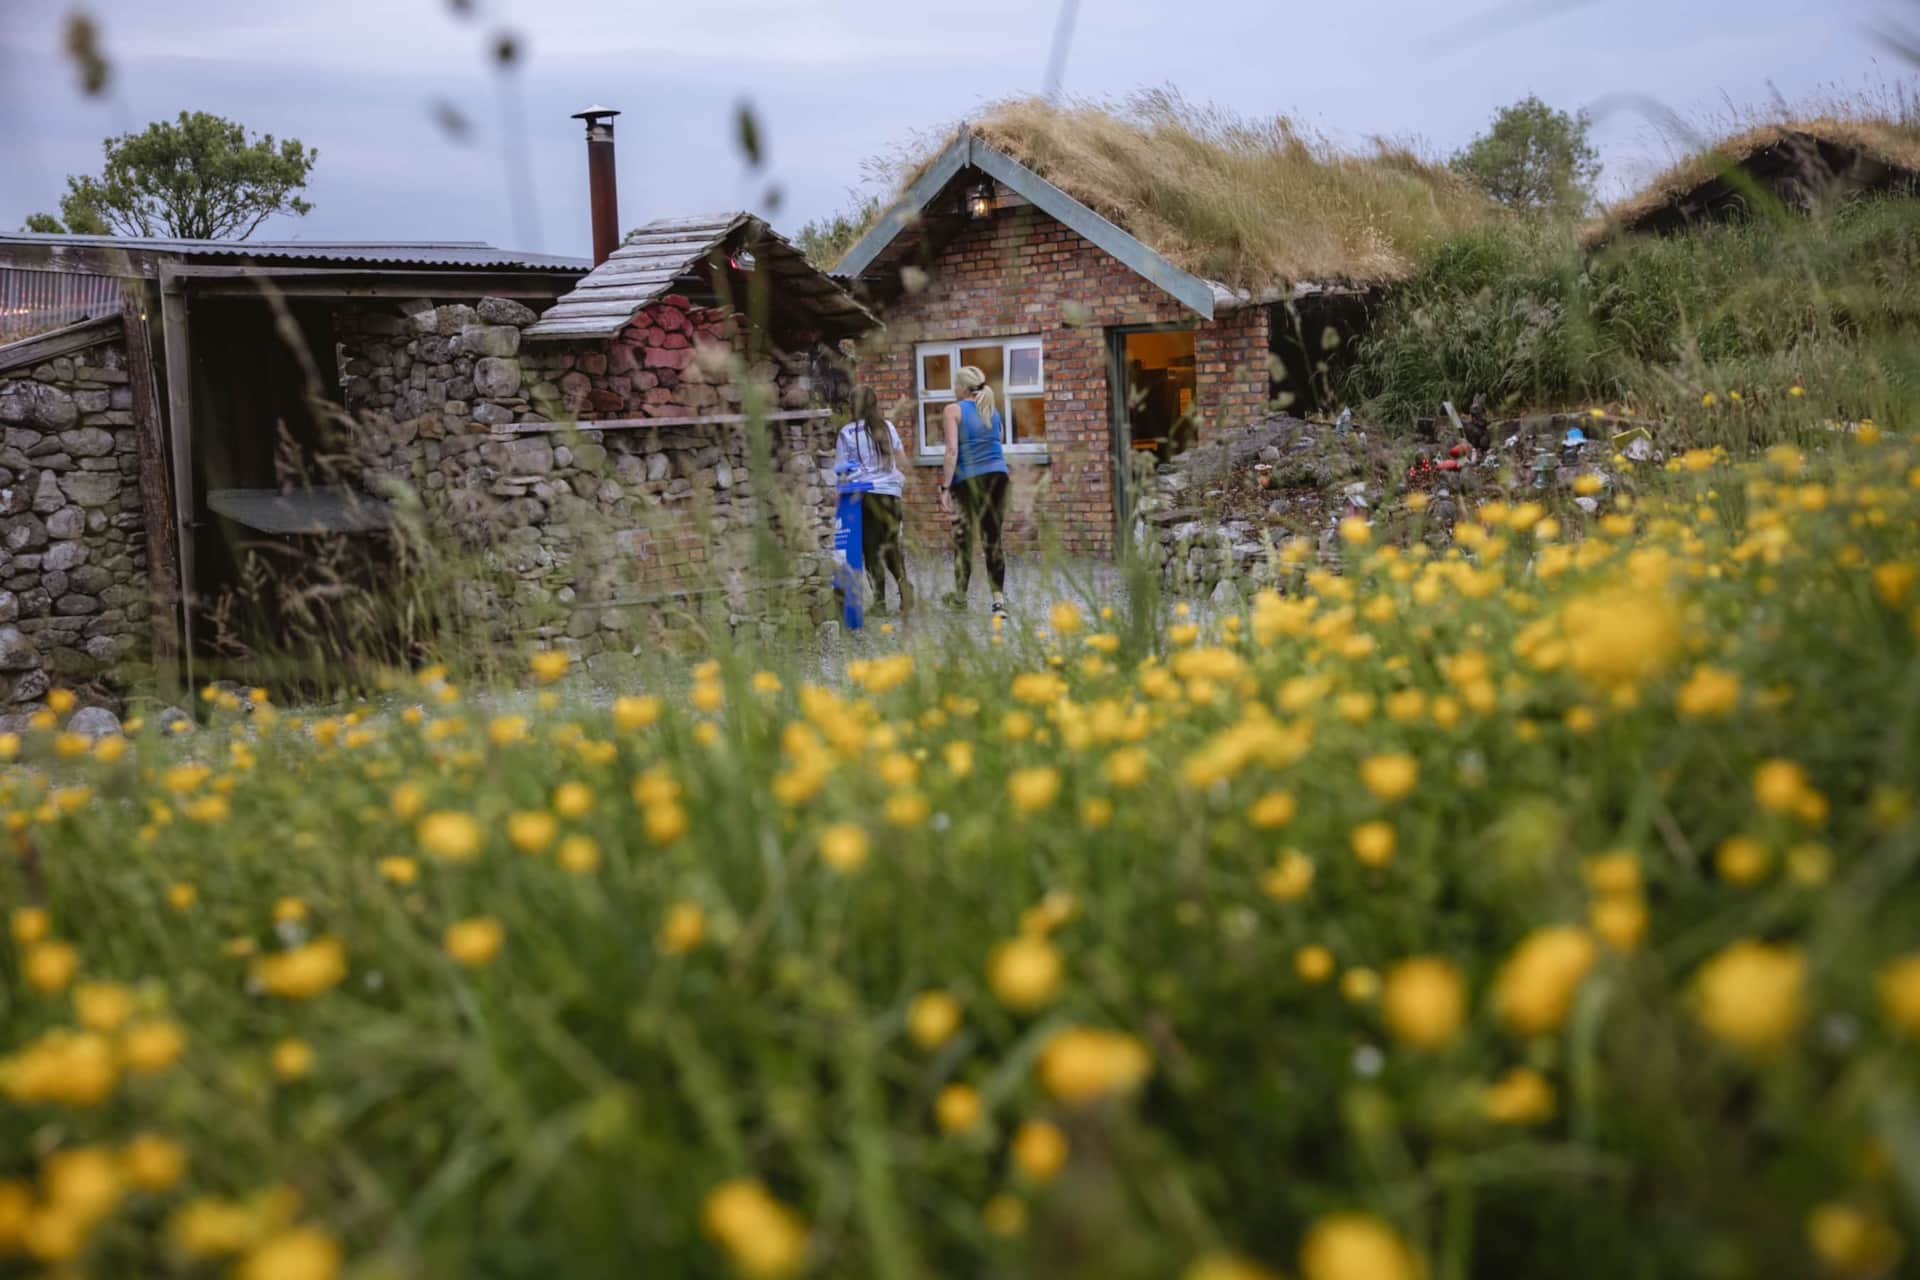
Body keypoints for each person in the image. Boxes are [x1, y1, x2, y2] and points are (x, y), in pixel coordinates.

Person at [833, 387, 912, 614]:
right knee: (891, 544)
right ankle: (905, 589)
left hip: (864, 495)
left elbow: (840, 469)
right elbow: (902, 460)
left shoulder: (847, 433)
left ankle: (879, 603)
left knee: (871, 549)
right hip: (891, 493)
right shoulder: (887, 428)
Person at [940, 365, 1010, 619]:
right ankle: (999, 602)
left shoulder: (953, 410)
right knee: (993, 539)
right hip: (998, 478)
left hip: (968, 481)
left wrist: (945, 487)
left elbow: (951, 452)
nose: (953, 389)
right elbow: (999, 439)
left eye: (955, 384)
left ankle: (960, 599)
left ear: (962, 387)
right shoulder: (992, 410)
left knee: (963, 541)